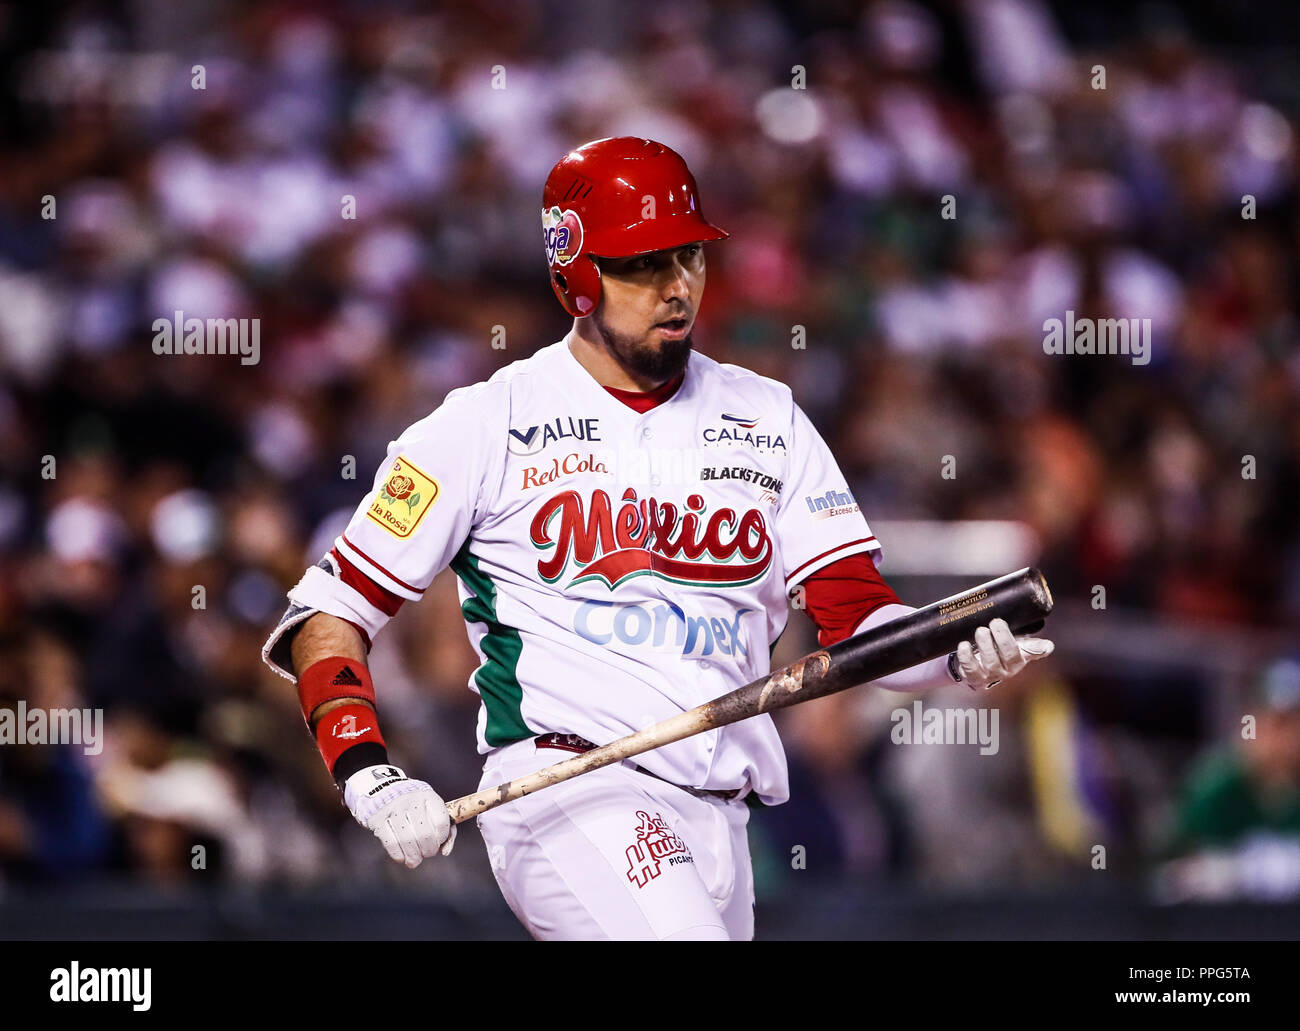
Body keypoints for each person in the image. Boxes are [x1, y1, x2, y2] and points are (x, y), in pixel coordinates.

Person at [260, 137, 1054, 940]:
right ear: (576, 271)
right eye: (642, 264)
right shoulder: (484, 423)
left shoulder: (768, 416)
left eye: (690, 257)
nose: (677, 287)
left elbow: (858, 622)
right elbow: (326, 614)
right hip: (570, 787)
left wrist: (952, 650)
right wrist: (368, 774)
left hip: (722, 816)